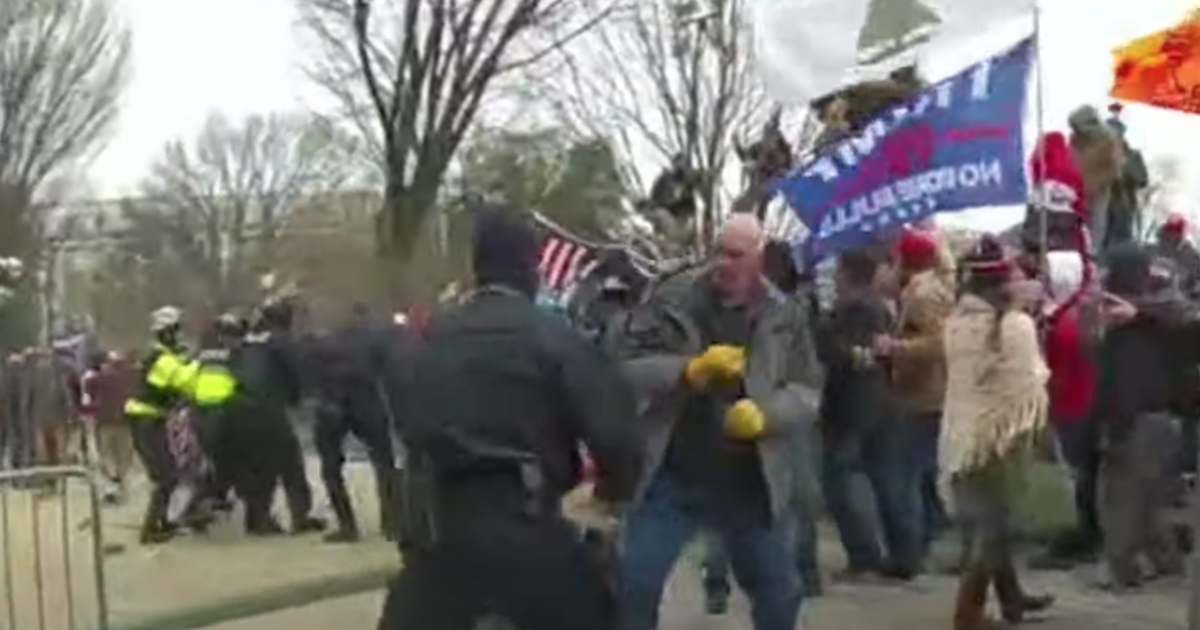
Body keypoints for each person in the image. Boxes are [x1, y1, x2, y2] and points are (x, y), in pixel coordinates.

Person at [377, 207, 641, 630]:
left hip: (442, 538)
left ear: (477, 265)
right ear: (530, 267)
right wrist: (611, 491)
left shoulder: (424, 343)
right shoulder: (557, 340)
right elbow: (617, 438)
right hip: (533, 534)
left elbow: (403, 422)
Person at [612, 214, 821, 630]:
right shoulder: (672, 298)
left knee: (780, 593)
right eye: (718, 252)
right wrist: (686, 371)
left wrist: (766, 416)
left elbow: (807, 390)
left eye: (736, 255)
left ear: (759, 258)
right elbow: (624, 368)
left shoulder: (784, 312)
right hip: (675, 473)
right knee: (634, 583)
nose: (723, 263)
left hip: (751, 480)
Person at [941, 236, 1054, 630]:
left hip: (964, 434)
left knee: (987, 518)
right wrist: (1030, 323)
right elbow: (1029, 383)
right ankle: (967, 612)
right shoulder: (1013, 325)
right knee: (997, 525)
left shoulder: (957, 322)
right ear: (1003, 283)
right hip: (1001, 436)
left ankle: (1011, 597)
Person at [1093, 243, 1191, 589]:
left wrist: (1115, 425)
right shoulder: (1148, 313)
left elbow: (1126, 377)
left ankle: (1121, 570)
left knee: (1122, 499)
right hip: (1157, 416)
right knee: (1147, 497)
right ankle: (1166, 561)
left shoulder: (1148, 316)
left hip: (1137, 417)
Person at [818, 247, 908, 581]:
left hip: (851, 404)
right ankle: (904, 552)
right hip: (881, 400)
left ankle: (865, 555)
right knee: (887, 479)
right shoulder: (880, 307)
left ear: (847, 274)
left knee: (840, 481)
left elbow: (849, 355)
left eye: (837, 272)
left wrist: (825, 337)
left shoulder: (851, 309)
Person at [123, 306, 219, 544]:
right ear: (166, 332)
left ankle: (162, 522)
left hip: (152, 419)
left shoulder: (163, 356)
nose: (179, 336)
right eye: (176, 331)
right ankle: (150, 529)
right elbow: (185, 381)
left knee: (170, 474)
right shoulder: (160, 358)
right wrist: (200, 360)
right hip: (146, 420)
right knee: (164, 476)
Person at [229, 300, 324, 536]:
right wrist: (298, 398)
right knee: (290, 464)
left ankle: (256, 519)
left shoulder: (247, 341)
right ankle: (300, 517)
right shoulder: (282, 341)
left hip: (238, 408)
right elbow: (297, 371)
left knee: (259, 465)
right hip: (268, 408)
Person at [313, 302, 403, 543]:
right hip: (366, 402)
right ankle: (393, 522)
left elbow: (311, 374)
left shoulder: (324, 341)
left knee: (331, 469)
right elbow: (392, 370)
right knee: (384, 462)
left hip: (331, 405)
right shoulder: (378, 339)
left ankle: (347, 526)